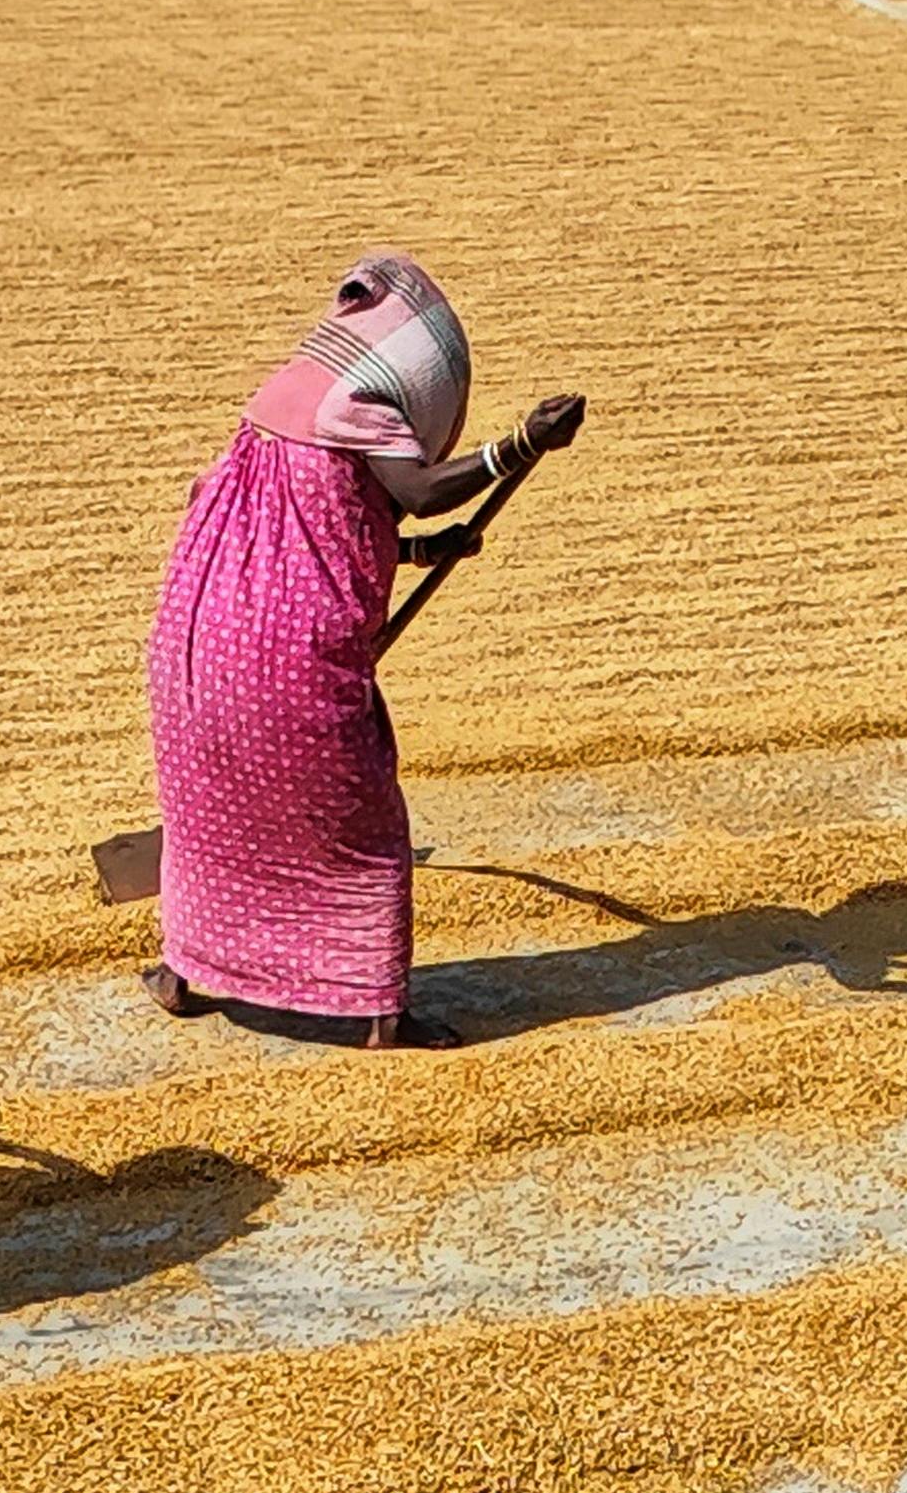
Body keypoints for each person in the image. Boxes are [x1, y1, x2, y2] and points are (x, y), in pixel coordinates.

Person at [142, 255, 584, 1050]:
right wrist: (522, 444)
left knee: (210, 812)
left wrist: (415, 553)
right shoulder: (363, 402)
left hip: (194, 641)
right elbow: (414, 491)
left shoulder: (283, 398)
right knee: (361, 827)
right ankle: (380, 1013)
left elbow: (314, 527)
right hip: (285, 662)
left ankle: (183, 973)